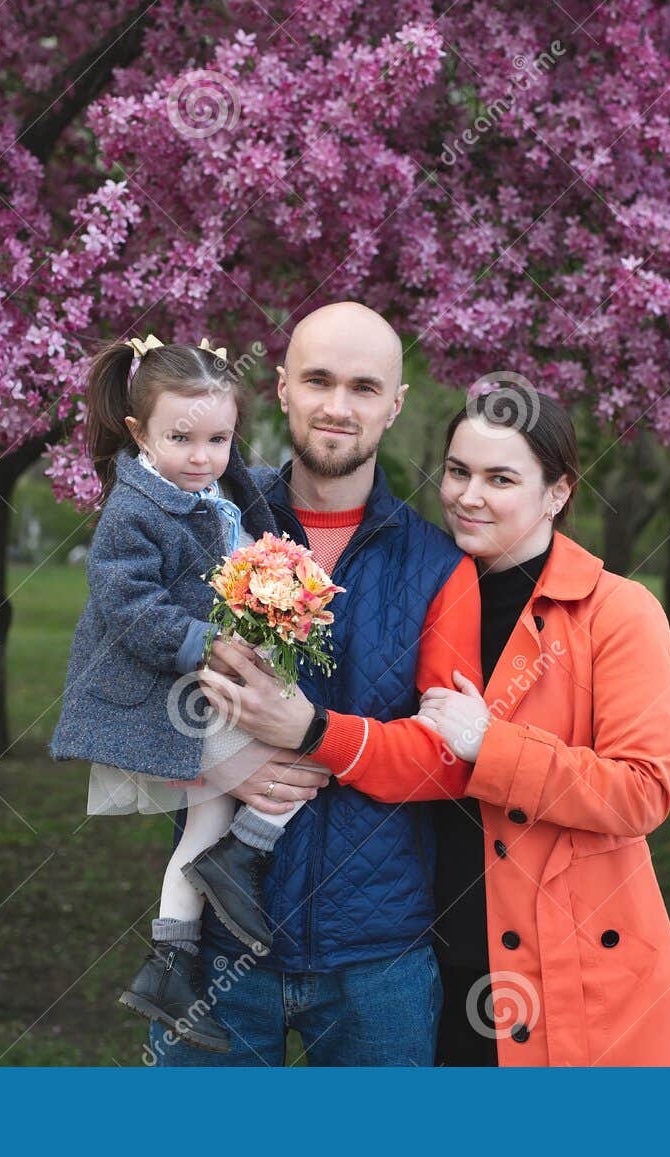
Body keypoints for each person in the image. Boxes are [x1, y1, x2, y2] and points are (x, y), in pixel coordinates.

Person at [148, 301, 484, 1066]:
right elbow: (122, 689)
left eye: (364, 387)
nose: (338, 406)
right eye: (319, 381)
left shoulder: (439, 568)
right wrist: (228, 763)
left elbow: (448, 763)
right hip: (213, 943)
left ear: (395, 405)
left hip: (377, 955)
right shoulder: (208, 522)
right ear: (282, 388)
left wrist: (312, 734)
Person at [337, 381, 670, 1066]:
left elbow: (641, 790)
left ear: (558, 492)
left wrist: (490, 744)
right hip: (414, 961)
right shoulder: (412, 596)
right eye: (458, 471)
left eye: (500, 478)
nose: (468, 496)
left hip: (564, 970)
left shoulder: (617, 615)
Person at [48, 334, 309, 1054]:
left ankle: (171, 960)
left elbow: (265, 541)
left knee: (214, 817)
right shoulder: (134, 512)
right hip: (171, 694)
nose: (202, 455)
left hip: (215, 681)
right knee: (282, 773)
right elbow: (128, 606)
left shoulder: (226, 487)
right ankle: (232, 869)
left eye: (218, 437)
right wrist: (205, 641)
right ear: (140, 434)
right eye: (181, 438)